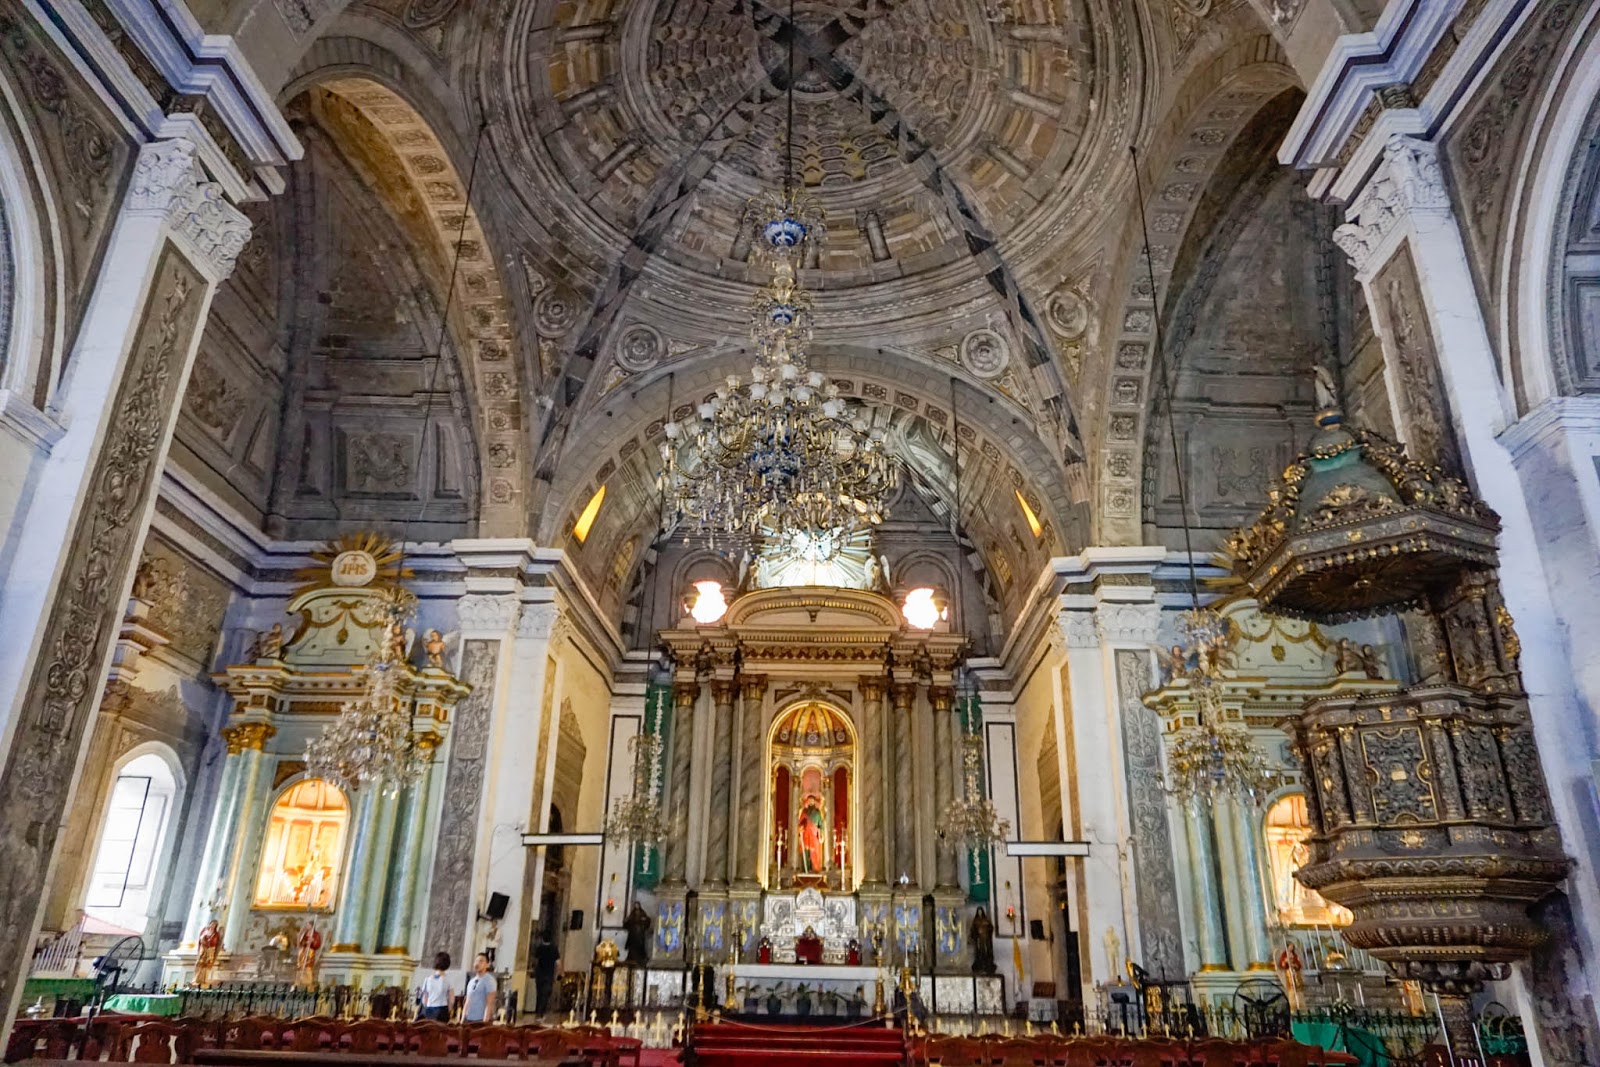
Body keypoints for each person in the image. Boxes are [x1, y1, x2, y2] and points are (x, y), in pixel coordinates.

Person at [462, 952, 498, 1023]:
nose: (477, 963)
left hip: (480, 1019)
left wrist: (485, 1022)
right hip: (468, 1018)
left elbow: (489, 1003)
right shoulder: (471, 981)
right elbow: (467, 1001)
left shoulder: (489, 980)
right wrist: (462, 1018)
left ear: (487, 965)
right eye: (476, 961)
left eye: (481, 961)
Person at [419, 952, 453, 1022]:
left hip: (429, 1010)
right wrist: (448, 1011)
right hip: (442, 1010)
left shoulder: (427, 979)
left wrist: (427, 1007)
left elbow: (424, 999)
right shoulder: (448, 981)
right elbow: (451, 1000)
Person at [532, 933, 560, 1016]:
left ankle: (538, 1010)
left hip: (540, 973)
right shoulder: (554, 949)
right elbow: (558, 963)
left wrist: (534, 970)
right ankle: (542, 1011)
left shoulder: (539, 948)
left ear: (542, 939)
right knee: (546, 993)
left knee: (539, 993)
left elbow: (535, 961)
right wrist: (558, 974)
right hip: (549, 974)